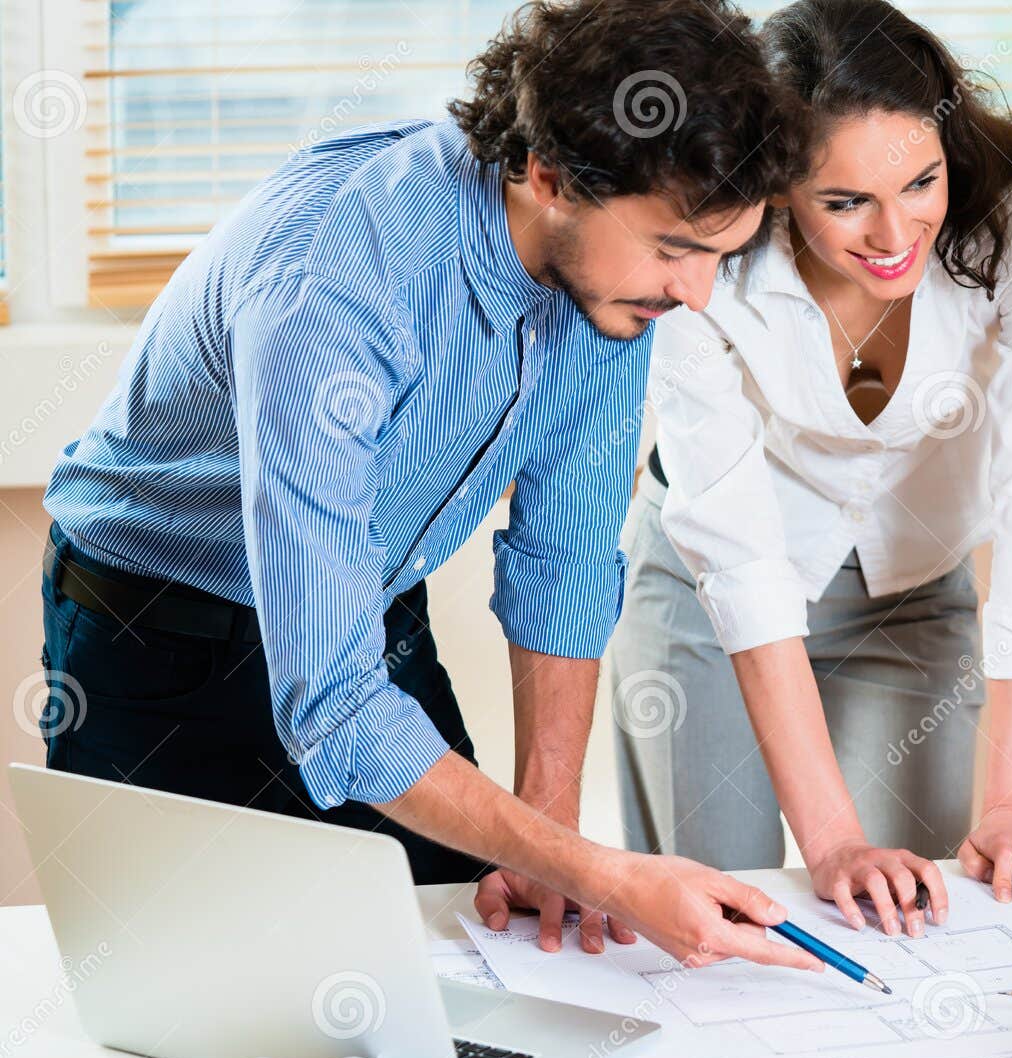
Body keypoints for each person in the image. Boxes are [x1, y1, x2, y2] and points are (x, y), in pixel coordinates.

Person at [37, 0, 825, 975]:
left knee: (470, 972)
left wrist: (550, 833)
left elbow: (563, 559)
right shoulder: (339, 279)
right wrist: (611, 872)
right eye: (675, 249)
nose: (697, 294)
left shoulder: (610, 285)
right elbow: (332, 705)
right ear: (550, 175)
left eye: (721, 254)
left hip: (368, 610)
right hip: (156, 639)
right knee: (171, 996)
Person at [609, 0, 1012, 938]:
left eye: (919, 183)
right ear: (774, 189)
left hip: (913, 588)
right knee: (722, 913)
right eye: (845, 202)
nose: (894, 235)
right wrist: (830, 836)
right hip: (709, 590)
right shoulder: (703, 240)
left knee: (915, 912)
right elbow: (741, 558)